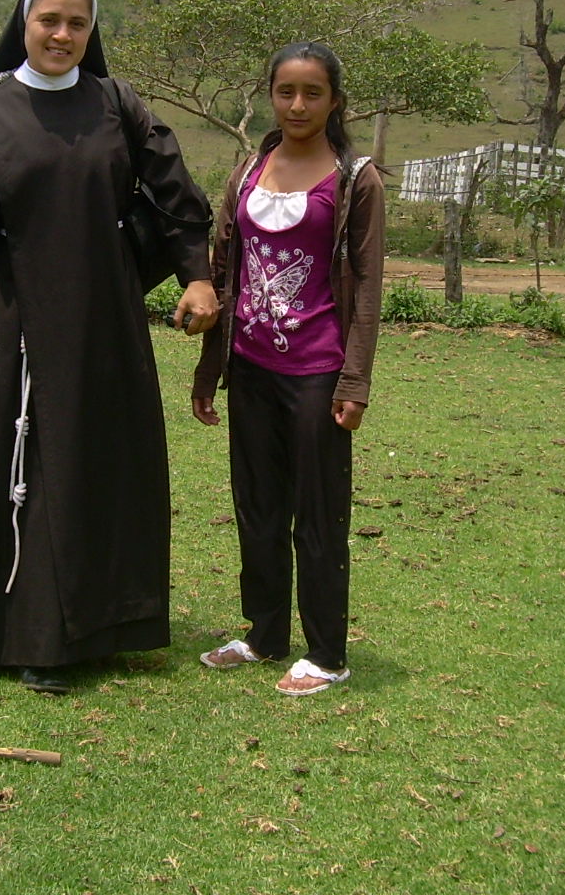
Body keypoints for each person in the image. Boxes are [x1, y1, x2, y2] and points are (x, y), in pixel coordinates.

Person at [0, 0, 218, 694]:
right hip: (8, 320)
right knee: (17, 472)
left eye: (78, 23)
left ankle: (99, 628)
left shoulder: (117, 105)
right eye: (49, 19)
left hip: (103, 322)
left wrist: (197, 276)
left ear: (91, 31)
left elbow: (177, 197)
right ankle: (14, 636)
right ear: (23, 22)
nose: (62, 34)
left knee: (92, 467)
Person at [191, 41, 385, 696]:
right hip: (250, 367)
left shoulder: (356, 179)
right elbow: (223, 270)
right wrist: (208, 368)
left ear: (335, 101)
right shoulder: (249, 171)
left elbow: (367, 287)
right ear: (270, 95)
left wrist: (354, 381)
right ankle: (264, 635)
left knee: (318, 513)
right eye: (285, 91)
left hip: (318, 373)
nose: (297, 105)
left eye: (312, 93)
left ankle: (327, 654)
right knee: (257, 508)